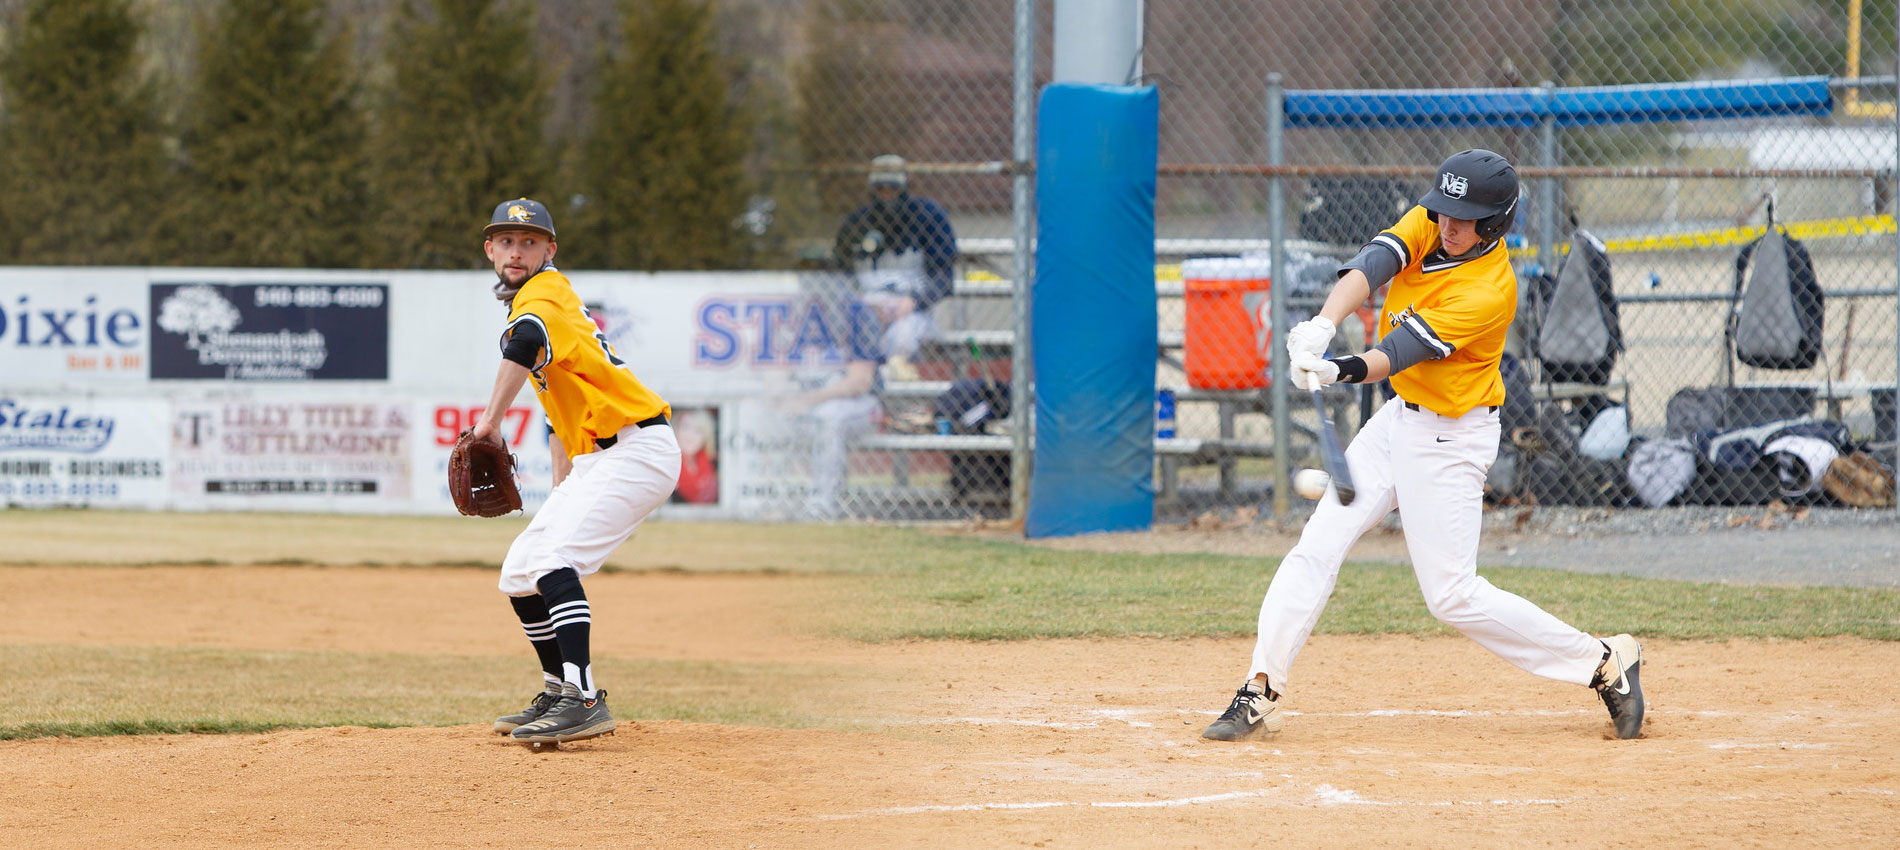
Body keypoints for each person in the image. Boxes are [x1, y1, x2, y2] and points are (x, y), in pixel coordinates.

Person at [1199, 150, 1647, 743]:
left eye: (1465, 217)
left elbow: (1396, 354)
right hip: (1398, 422)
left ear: (1495, 223)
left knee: (1452, 596)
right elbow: (1373, 264)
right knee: (1317, 545)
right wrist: (1321, 326)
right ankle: (1260, 687)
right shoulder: (1435, 222)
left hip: (1452, 439)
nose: (1448, 225)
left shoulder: (1488, 291)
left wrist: (1335, 370)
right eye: (1444, 212)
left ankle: (1604, 661)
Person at [471, 197, 681, 746]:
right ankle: (558, 689)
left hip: (637, 448)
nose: (517, 252)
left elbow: (524, 343)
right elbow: (559, 410)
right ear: (490, 249)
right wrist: (564, 485)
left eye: (530, 242)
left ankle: (584, 699)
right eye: (507, 241)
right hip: (601, 457)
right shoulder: (542, 301)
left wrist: (490, 423)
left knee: (553, 560)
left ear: (550, 250)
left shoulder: (544, 294)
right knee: (520, 570)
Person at [775, 273, 886, 519]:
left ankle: (821, 506)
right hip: (803, 405)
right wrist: (782, 399)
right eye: (809, 276)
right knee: (756, 412)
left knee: (828, 416)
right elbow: (775, 376)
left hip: (859, 406)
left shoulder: (858, 315)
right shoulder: (791, 316)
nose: (816, 285)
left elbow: (859, 381)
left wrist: (806, 400)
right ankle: (765, 501)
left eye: (824, 274)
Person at [832, 154, 957, 363]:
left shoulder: (929, 217)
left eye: (893, 189)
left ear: (905, 187)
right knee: (842, 342)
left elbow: (944, 278)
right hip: (864, 308)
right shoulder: (856, 222)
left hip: (911, 309)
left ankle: (891, 377)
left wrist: (913, 303)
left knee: (902, 340)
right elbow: (839, 275)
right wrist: (861, 306)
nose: (887, 195)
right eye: (880, 189)